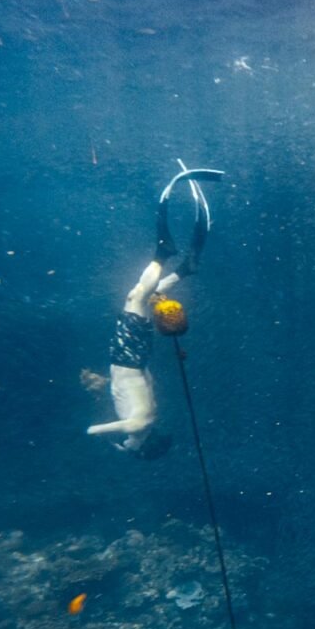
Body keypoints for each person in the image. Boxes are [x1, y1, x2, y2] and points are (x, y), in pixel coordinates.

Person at [87, 163, 221, 458]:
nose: (128, 444)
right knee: (136, 296)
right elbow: (93, 431)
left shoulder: (146, 417)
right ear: (143, 444)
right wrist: (121, 444)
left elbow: (131, 388)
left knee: (141, 296)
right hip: (130, 357)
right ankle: (164, 252)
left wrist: (103, 385)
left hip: (133, 359)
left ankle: (184, 269)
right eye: (134, 447)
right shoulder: (139, 424)